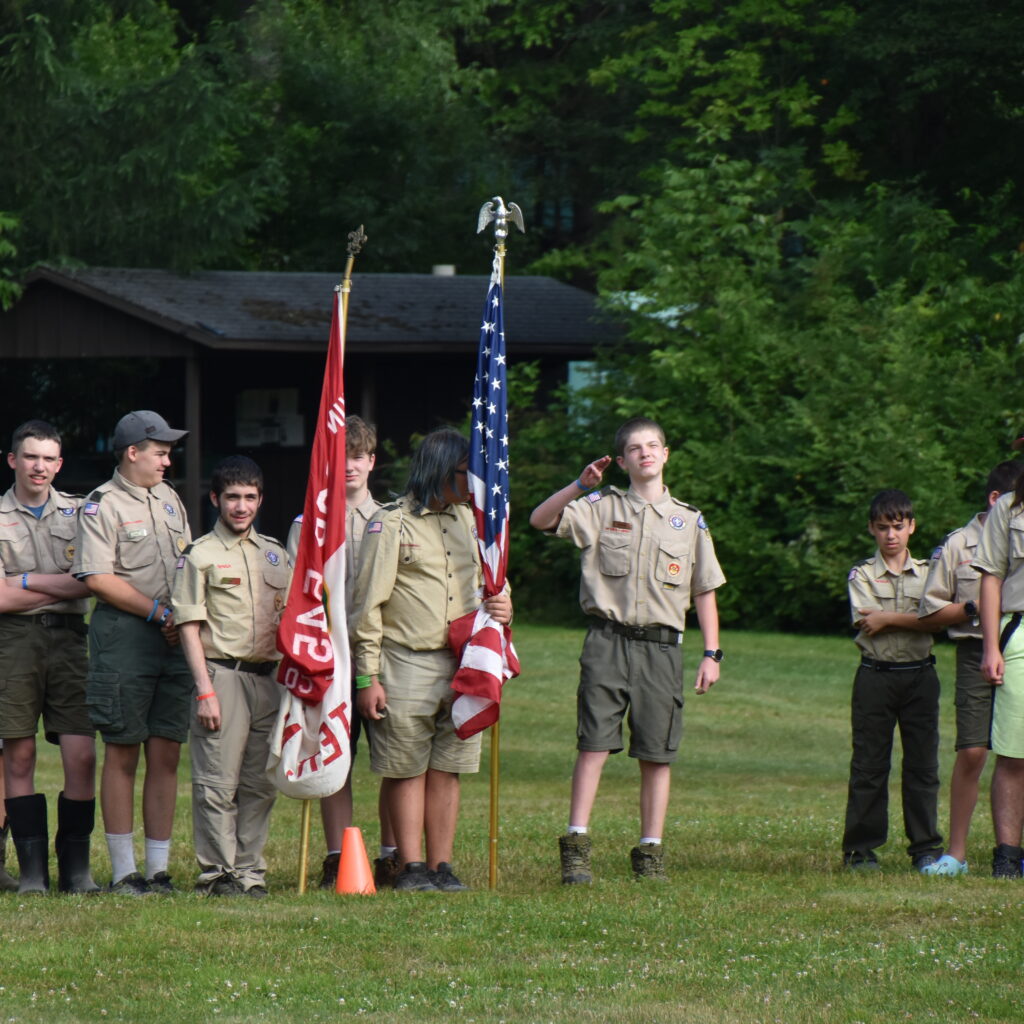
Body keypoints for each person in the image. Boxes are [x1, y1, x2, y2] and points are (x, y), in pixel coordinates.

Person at [529, 416, 725, 883]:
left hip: (661, 650)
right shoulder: (600, 507)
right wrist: (579, 484)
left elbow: (704, 590)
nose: (645, 453)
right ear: (621, 461)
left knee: (657, 753)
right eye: (635, 449)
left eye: (653, 445)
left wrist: (711, 654)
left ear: (666, 454)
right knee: (594, 743)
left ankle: (650, 851)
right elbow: (540, 520)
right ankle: (576, 845)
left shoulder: (689, 520)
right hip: (607, 642)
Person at [352, 428, 512, 892]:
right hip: (406, 662)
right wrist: (368, 676)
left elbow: (495, 584)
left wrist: (506, 607)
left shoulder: (473, 521)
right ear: (441, 469)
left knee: (450, 765)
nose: (474, 482)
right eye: (466, 472)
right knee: (406, 766)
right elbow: (368, 608)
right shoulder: (391, 524)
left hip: (464, 663)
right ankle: (411, 866)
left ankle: (442, 866)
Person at [72, 410, 191, 895]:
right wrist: (158, 613)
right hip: (125, 639)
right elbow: (97, 578)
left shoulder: (170, 498)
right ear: (133, 452)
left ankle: (157, 870)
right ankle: (124, 871)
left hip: (170, 640)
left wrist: (177, 617)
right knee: (122, 752)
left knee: (165, 753)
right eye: (160, 452)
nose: (167, 460)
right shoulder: (102, 505)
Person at [287, 417, 399, 891]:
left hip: (386, 659)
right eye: (340, 457)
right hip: (330, 661)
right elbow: (298, 596)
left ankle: (395, 855)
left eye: (358, 456)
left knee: (397, 760)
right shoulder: (309, 524)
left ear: (372, 462)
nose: (349, 465)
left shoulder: (394, 519)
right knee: (335, 758)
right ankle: (337, 855)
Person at [172, 456, 289, 897]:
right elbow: (188, 625)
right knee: (217, 782)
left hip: (269, 680)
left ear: (260, 499)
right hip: (222, 676)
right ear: (216, 499)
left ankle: (249, 871)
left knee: (259, 783)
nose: (242, 507)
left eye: (250, 497)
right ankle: (218, 874)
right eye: (233, 497)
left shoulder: (276, 553)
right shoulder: (199, 554)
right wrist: (205, 691)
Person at [0, 420, 98, 894]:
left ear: (59, 465)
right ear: (13, 460)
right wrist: (55, 584)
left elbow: (90, 579)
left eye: (48, 458)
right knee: (18, 755)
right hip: (13, 643)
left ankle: (76, 869)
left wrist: (21, 581)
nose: (39, 466)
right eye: (30, 456)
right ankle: (32, 872)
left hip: (70, 643)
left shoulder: (82, 513)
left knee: (81, 754)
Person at [917, 461, 1023, 876]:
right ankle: (956, 852)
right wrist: (972, 610)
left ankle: (1009, 849)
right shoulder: (959, 543)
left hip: (1011, 641)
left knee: (1016, 753)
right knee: (974, 750)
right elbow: (930, 606)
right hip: (975, 648)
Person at [842, 489, 944, 871]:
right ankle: (860, 850)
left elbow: (940, 619)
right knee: (869, 766)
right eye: (883, 528)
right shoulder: (862, 575)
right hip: (876, 676)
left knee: (923, 766)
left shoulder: (930, 573)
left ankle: (925, 848)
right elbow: (867, 621)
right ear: (871, 529)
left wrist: (888, 618)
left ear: (912, 527)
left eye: (898, 527)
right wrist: (921, 619)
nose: (890, 535)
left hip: (920, 675)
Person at [974, 469, 1024, 878]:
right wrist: (991, 646)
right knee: (1013, 751)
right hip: (1020, 630)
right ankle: (1007, 855)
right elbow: (990, 578)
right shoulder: (1007, 510)